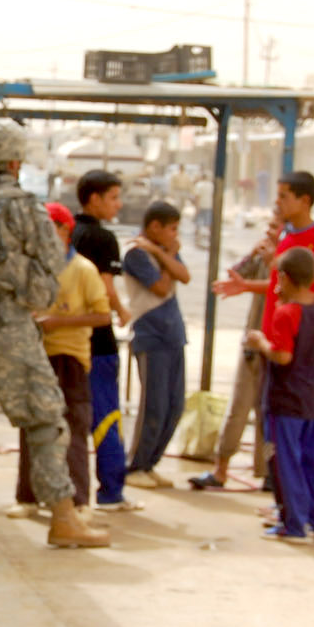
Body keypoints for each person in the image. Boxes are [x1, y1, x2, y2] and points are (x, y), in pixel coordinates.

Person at [0, 118, 108, 548]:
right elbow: (53, 262)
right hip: (10, 328)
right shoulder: (23, 205)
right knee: (46, 420)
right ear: (14, 159)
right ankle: (64, 518)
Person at [215, 171, 314, 518]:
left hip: (301, 352)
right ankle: (286, 503)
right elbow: (279, 286)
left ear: (305, 200)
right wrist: (247, 286)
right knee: (274, 427)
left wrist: (305, 302)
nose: (278, 203)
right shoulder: (286, 240)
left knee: (295, 435)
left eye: (285, 196)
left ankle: (294, 509)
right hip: (275, 345)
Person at [9, 203, 111, 523]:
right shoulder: (32, 268)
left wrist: (60, 322)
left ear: (65, 230)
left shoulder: (82, 270)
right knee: (32, 425)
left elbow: (102, 315)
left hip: (69, 359)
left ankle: (79, 500)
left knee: (72, 427)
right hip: (34, 355)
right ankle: (28, 496)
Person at [246, 247, 314, 544]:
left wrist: (261, 343)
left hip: (284, 400)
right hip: (310, 398)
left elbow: (283, 356)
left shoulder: (286, 313)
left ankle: (293, 524)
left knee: (285, 463)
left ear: (284, 278)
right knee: (312, 462)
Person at [190, 212, 284, 490]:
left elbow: (284, 291)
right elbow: (236, 276)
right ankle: (221, 468)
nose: (269, 233)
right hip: (254, 341)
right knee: (240, 406)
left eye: (274, 228)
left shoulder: (289, 261)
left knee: (269, 410)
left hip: (277, 341)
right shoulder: (263, 258)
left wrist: (273, 262)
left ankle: (268, 470)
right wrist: (253, 256)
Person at [71, 170, 143, 513]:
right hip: (99, 344)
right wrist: (123, 312)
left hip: (66, 341)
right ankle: (111, 490)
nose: (119, 204)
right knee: (106, 417)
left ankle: (66, 491)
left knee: (69, 419)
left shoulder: (67, 232)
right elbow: (106, 286)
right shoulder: (102, 239)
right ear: (94, 199)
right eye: (114, 197)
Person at [121, 202, 191, 488]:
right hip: (151, 334)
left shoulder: (162, 252)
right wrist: (167, 255)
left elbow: (184, 276)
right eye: (171, 229)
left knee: (175, 405)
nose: (175, 235)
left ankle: (151, 462)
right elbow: (161, 287)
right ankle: (136, 464)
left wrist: (164, 253)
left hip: (173, 334)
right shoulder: (136, 254)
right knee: (154, 404)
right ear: (155, 227)